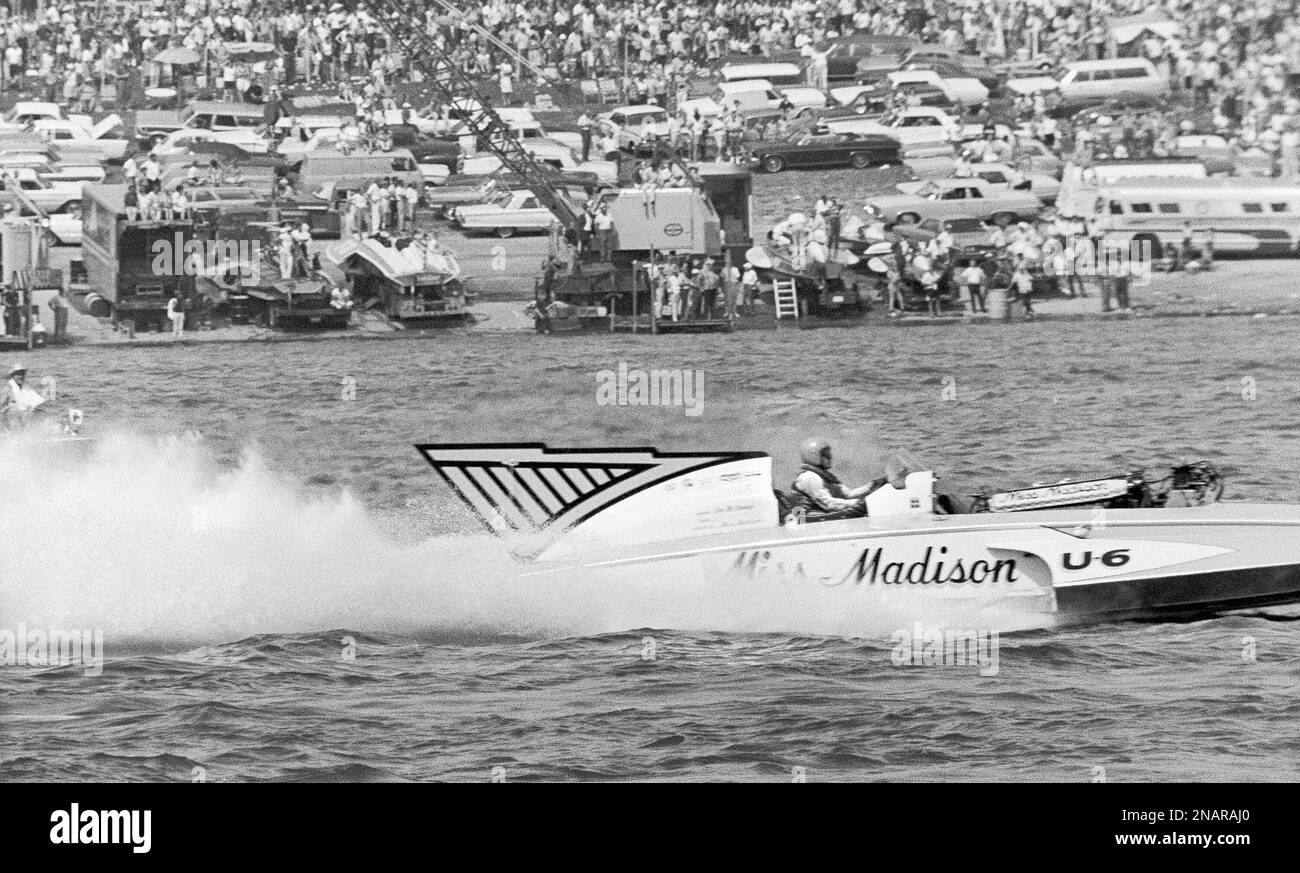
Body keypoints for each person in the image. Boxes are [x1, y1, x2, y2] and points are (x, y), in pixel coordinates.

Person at [789, 438, 898, 521]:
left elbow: (848, 494)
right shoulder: (809, 477)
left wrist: (875, 485)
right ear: (813, 456)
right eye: (826, 454)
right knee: (862, 512)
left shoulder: (823, 476)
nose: (830, 457)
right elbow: (828, 504)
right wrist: (860, 503)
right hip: (808, 519)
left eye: (829, 454)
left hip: (819, 516)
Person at [1, 364, 44, 429]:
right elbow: (2, 403)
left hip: (23, 416)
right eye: (18, 373)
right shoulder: (8, 387)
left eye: (22, 373)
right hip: (13, 416)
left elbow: (38, 400)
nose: (21, 376)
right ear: (13, 375)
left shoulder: (24, 387)